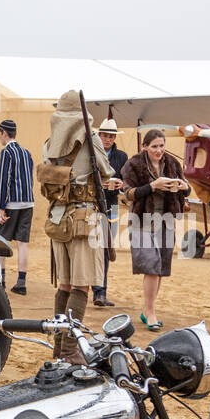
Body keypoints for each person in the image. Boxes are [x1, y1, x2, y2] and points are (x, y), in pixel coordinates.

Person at [38, 90, 124, 364]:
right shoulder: (91, 138)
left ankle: (59, 346)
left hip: (57, 219)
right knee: (81, 287)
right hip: (84, 220)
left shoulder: (49, 143)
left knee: (63, 285)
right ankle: (69, 349)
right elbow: (107, 170)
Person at [119, 128, 189, 331]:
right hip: (142, 221)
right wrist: (153, 185)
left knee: (159, 268)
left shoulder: (173, 163)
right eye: (154, 146)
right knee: (151, 264)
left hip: (166, 221)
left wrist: (184, 187)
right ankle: (150, 312)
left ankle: (147, 309)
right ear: (145, 146)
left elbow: (186, 189)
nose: (159, 150)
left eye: (161, 146)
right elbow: (128, 194)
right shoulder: (134, 164)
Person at [0, 118, 34, 295]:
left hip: (11, 204)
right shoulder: (27, 153)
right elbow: (30, 180)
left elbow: (3, 180)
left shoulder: (5, 153)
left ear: (4, 133)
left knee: (1, 242)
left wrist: (1, 207)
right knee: (22, 243)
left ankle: (0, 280)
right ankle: (21, 283)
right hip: (28, 202)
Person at [93, 118, 129, 307]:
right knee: (93, 248)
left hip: (112, 205)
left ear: (114, 138)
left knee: (106, 248)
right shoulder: (91, 154)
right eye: (104, 135)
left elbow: (126, 180)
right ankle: (96, 290)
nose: (107, 139)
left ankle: (101, 292)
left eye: (110, 136)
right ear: (99, 136)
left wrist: (121, 185)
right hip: (93, 206)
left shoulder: (122, 157)